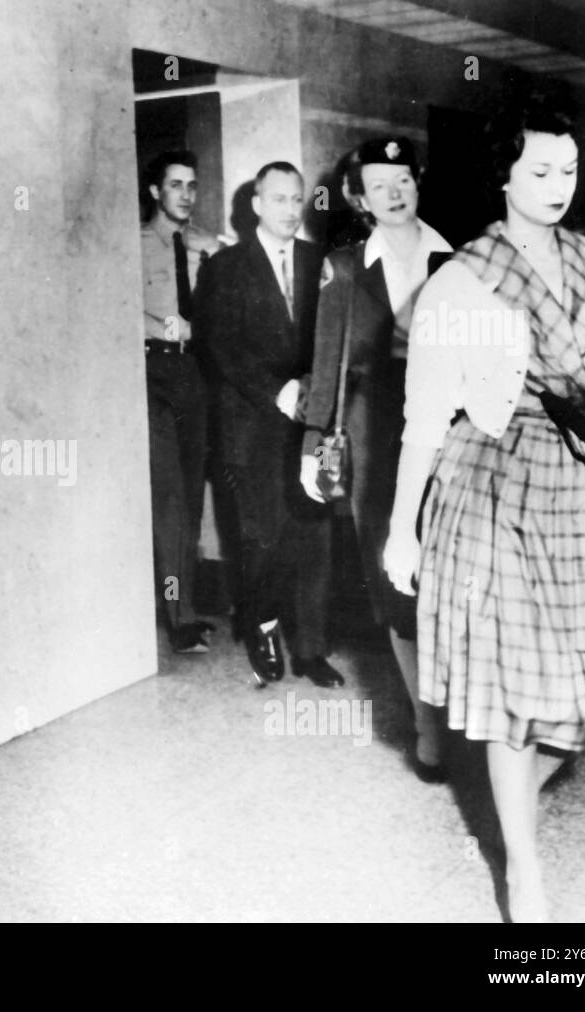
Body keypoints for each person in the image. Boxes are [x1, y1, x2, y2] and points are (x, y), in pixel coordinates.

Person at [382, 90, 585, 922]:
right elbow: (424, 419)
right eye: (540, 169)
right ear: (504, 175)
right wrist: (400, 529)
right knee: (508, 698)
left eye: (569, 168)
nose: (558, 183)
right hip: (491, 487)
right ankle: (523, 870)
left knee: (573, 706)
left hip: (574, 490)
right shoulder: (458, 281)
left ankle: (506, 817)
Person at [300, 138, 453, 780]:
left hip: (449, 427)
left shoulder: (459, 258)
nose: (396, 191)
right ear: (360, 200)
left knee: (448, 569)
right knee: (395, 575)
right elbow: (327, 361)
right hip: (374, 425)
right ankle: (428, 728)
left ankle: (460, 712)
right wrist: (313, 447)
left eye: (404, 178)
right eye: (379, 184)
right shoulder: (342, 265)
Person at [195, 162, 341, 688]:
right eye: (278, 199)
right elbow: (219, 347)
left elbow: (331, 339)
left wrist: (314, 393)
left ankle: (312, 650)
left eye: (297, 199)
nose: (289, 209)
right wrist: (275, 390)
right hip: (253, 425)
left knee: (315, 536)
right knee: (265, 539)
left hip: (311, 423)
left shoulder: (319, 262)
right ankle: (261, 622)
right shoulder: (225, 267)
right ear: (256, 204)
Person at [139, 150, 226, 654]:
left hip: (196, 372)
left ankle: (184, 606)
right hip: (153, 372)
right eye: (175, 185)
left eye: (192, 185)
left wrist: (213, 250)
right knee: (170, 496)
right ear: (156, 191)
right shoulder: (134, 244)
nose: (186, 195)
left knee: (192, 497)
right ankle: (180, 618)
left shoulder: (205, 243)